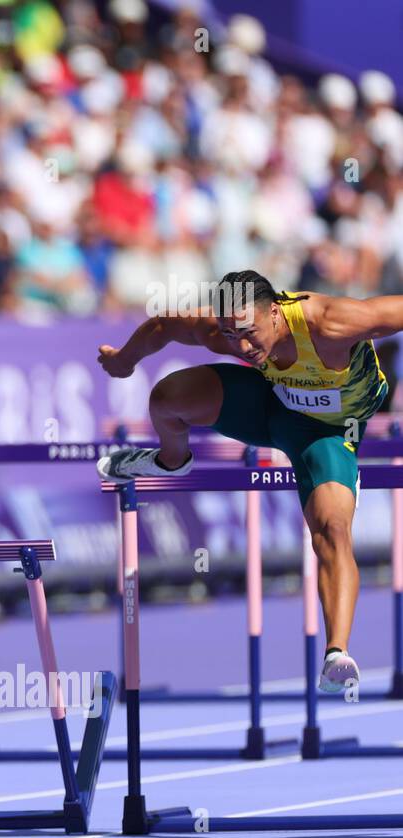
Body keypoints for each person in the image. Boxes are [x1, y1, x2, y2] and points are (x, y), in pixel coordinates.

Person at [96, 270, 396, 694]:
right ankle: (170, 461)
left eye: (251, 335)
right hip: (269, 403)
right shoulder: (228, 329)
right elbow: (163, 326)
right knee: (167, 398)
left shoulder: (331, 323)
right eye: (230, 336)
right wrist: (124, 360)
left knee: (331, 528)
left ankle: (336, 653)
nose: (242, 346)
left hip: (331, 430)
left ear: (275, 313)